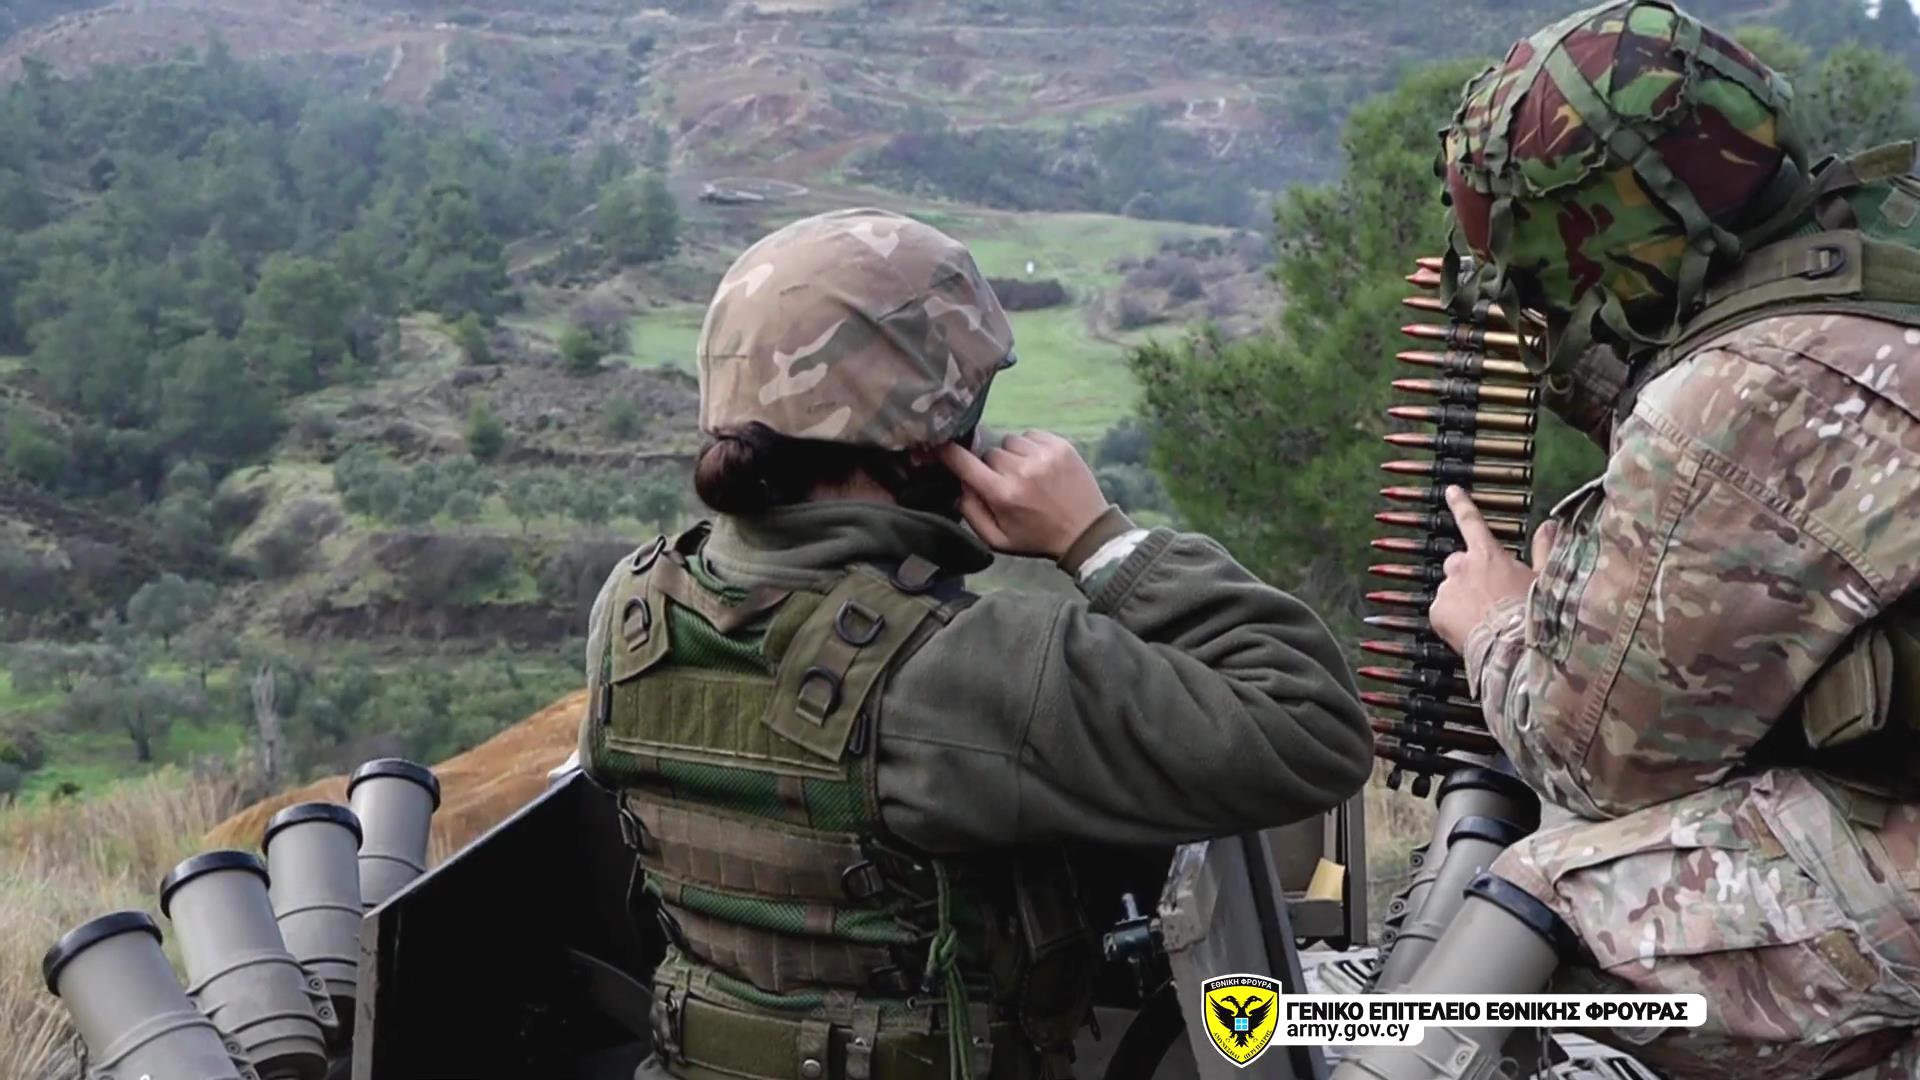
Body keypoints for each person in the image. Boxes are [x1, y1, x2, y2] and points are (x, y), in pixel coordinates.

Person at [578, 207, 1372, 1080]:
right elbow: (1313, 724)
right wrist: (1097, 540)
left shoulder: (632, 615)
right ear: (929, 442)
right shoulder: (960, 668)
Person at [1414, 1, 1920, 1076]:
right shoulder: (1884, 247)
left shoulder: (1749, 390)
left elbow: (1602, 759)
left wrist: (1494, 622)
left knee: (1551, 906)